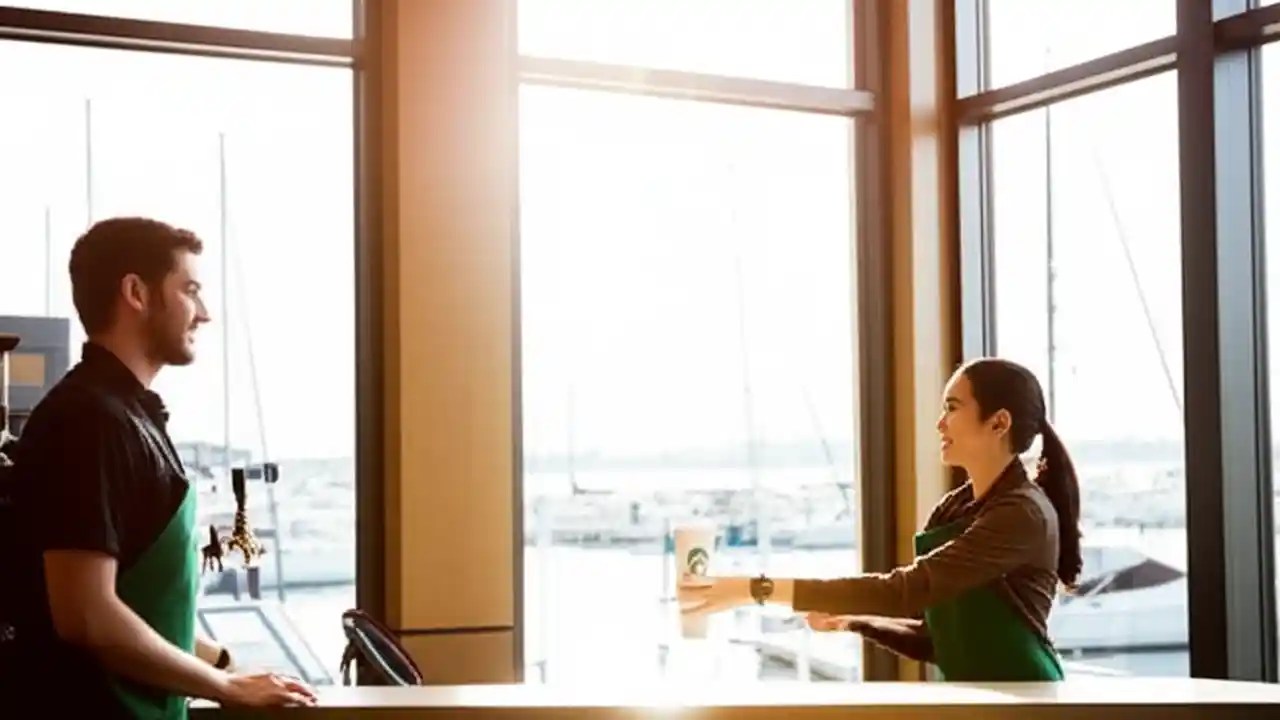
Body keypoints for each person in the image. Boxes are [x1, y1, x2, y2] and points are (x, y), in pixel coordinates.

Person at [8, 218, 316, 716]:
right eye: (190, 290)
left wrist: (224, 665)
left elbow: (140, 605)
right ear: (136, 292)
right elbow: (88, 615)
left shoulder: (124, 415)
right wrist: (228, 690)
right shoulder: (88, 420)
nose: (205, 314)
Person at [678, 357, 1082, 682]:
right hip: (977, 704)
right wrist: (855, 621)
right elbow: (935, 639)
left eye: (952, 408)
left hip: (1030, 704)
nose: (940, 423)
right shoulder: (953, 509)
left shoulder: (1021, 514)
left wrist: (755, 589)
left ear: (999, 423)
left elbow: (904, 590)